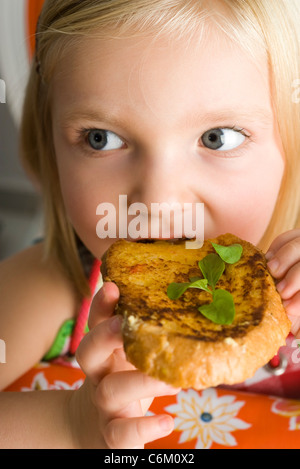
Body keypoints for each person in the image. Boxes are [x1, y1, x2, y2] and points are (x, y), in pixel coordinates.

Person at [1, 0, 300, 449]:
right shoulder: (47, 287)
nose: (159, 202)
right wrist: (68, 423)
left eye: (217, 138)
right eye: (101, 139)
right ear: (50, 144)